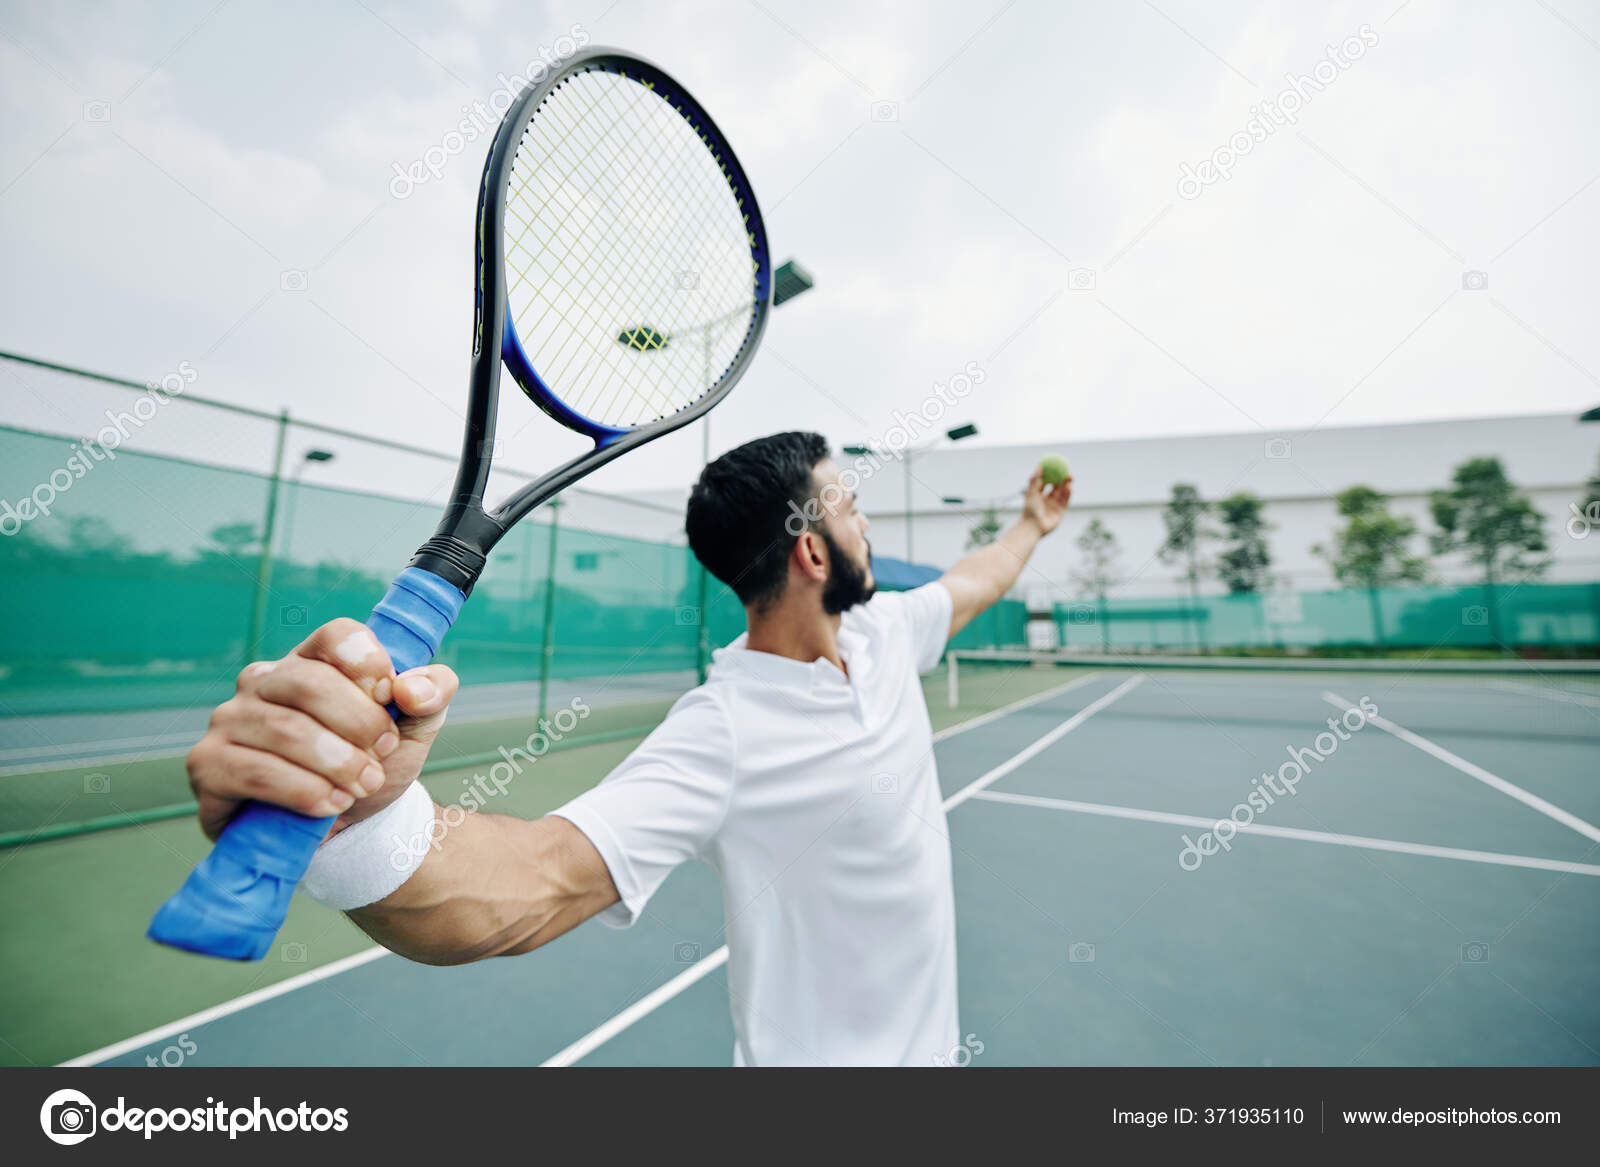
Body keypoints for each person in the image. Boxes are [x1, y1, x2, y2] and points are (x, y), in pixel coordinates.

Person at [185, 431, 1072, 1065]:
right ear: (810, 550)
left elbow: (973, 581)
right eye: (853, 508)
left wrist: (1031, 524)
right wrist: (367, 815)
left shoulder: (884, 630)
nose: (868, 527)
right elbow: (530, 887)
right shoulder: (726, 729)